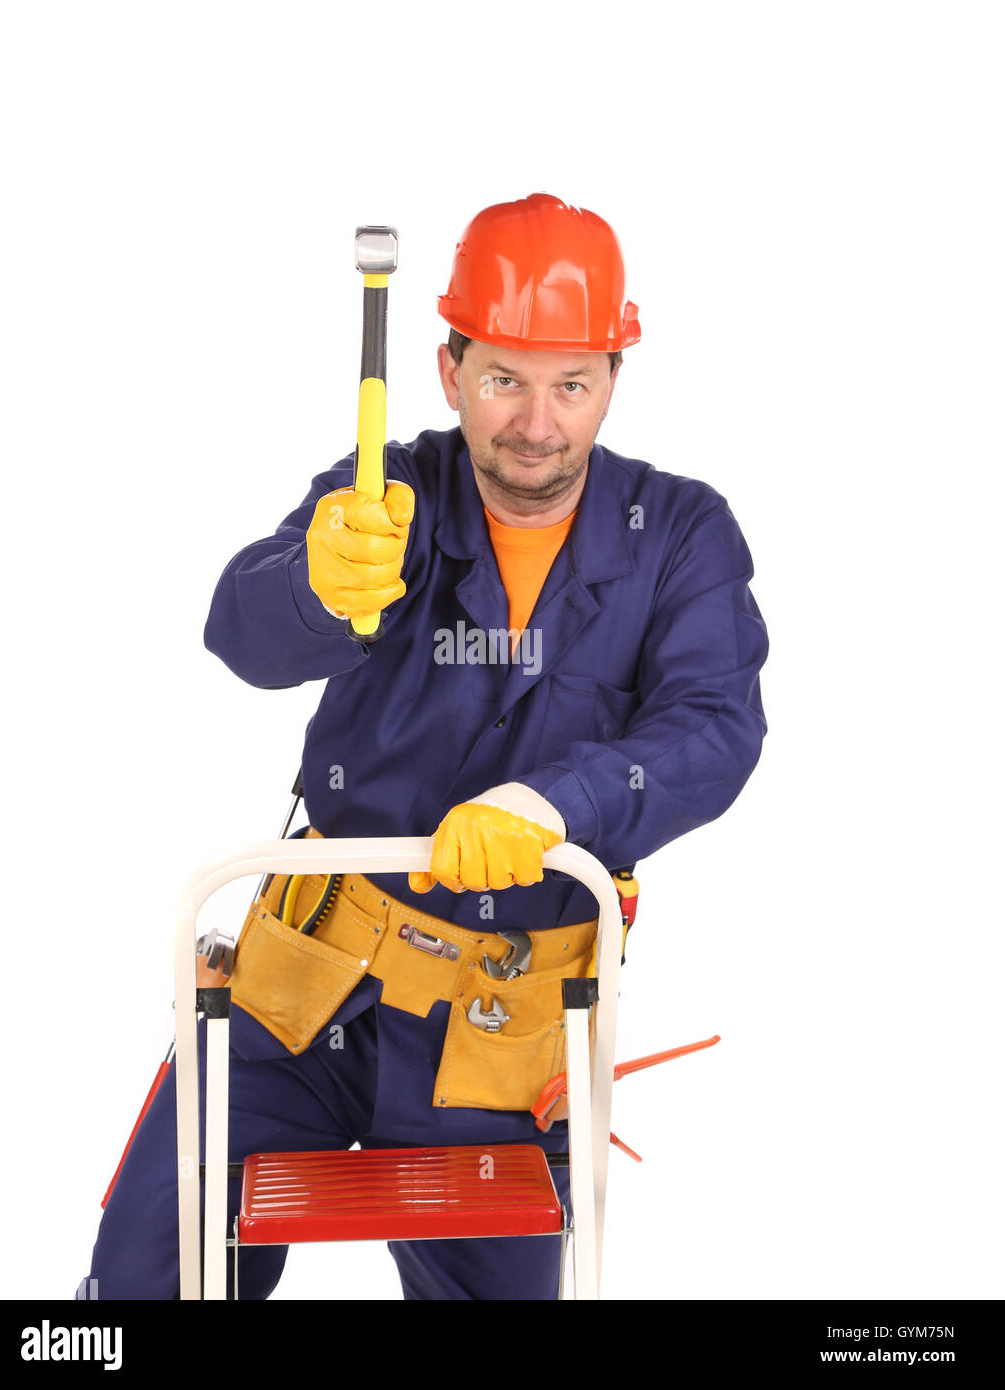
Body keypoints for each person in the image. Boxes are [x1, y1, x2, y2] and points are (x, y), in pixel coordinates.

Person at [78, 192, 768, 1301]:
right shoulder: (382, 497)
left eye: (569, 384)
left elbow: (714, 726)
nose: (536, 422)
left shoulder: (679, 535)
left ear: (611, 377)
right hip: (297, 996)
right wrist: (310, 586)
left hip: (498, 1034)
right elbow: (237, 626)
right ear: (449, 371)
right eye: (503, 379)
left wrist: (553, 809)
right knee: (143, 1281)